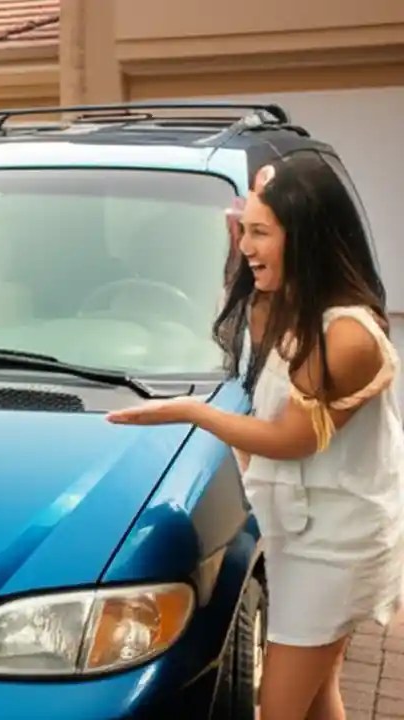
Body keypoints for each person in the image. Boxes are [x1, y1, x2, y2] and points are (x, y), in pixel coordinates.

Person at [107, 153, 404, 720]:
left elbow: (293, 438)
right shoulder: (285, 303)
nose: (245, 244)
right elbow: (250, 327)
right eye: (244, 227)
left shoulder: (347, 336)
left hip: (337, 544)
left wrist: (193, 412)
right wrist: (247, 245)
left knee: (280, 709)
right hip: (300, 528)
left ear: (308, 237)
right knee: (319, 695)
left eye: (261, 232)